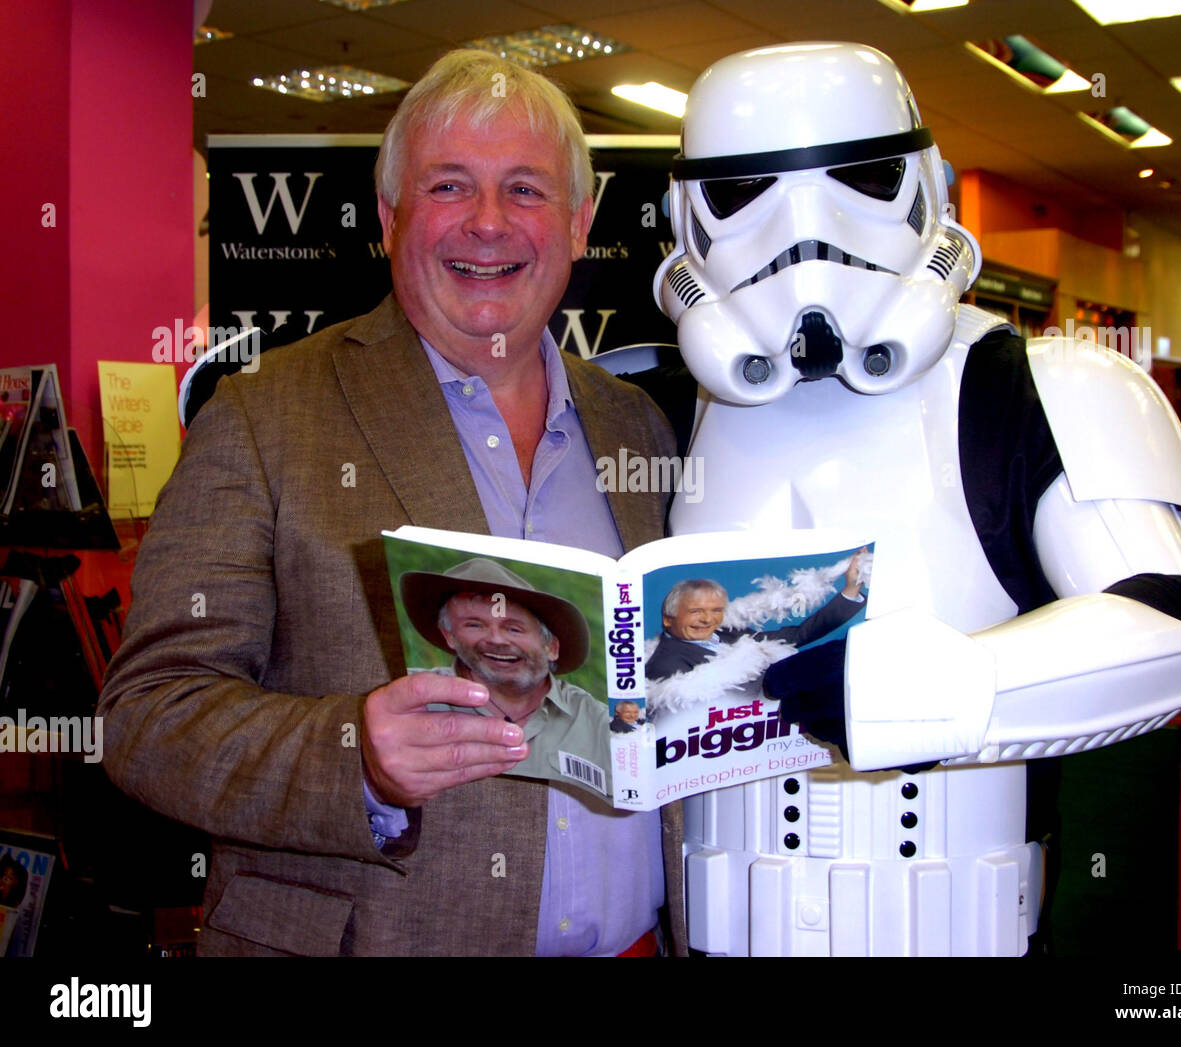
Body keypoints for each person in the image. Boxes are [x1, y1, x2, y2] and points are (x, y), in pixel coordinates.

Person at [623, 41, 1181, 956]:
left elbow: (1173, 630)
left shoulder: (1042, 388)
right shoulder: (653, 409)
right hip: (709, 925)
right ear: (684, 215)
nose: (806, 229)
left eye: (860, 179)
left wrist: (940, 690)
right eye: (746, 193)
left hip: (957, 923)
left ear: (930, 183)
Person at [97, 50, 680, 956]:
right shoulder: (264, 414)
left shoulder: (638, 426)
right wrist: (354, 757)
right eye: (450, 185)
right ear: (388, 217)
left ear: (578, 225)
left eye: (525, 190)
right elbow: (148, 715)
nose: (488, 224)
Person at [401, 557, 611, 795]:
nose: (496, 639)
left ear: (551, 648)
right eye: (474, 625)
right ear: (449, 636)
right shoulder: (409, 699)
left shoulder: (600, 724)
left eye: (513, 628)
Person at [644, 549, 866, 681]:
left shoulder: (728, 633)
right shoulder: (666, 664)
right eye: (695, 612)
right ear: (668, 619)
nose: (707, 619)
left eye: (715, 611)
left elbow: (798, 635)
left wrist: (851, 588)